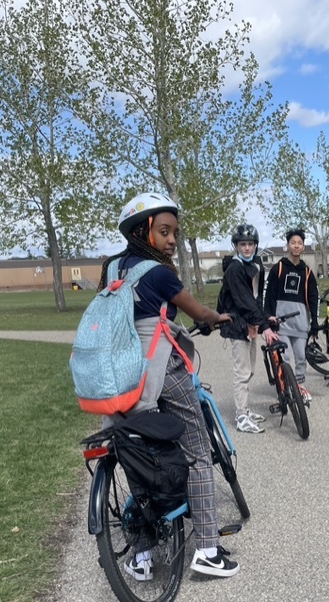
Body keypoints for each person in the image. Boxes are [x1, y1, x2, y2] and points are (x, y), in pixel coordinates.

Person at [99, 192, 239, 579]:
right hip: (161, 369)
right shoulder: (160, 273)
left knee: (136, 454)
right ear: (142, 232)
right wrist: (216, 318)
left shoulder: (111, 269)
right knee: (195, 448)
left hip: (119, 375)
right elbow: (198, 311)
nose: (172, 239)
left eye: (175, 232)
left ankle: (141, 556)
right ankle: (208, 549)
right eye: (164, 231)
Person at [217, 223, 280, 434]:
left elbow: (257, 298)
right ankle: (241, 416)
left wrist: (264, 318)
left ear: (255, 246)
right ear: (235, 246)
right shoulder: (234, 269)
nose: (247, 248)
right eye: (242, 244)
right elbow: (243, 301)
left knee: (250, 370)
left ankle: (244, 408)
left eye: (250, 244)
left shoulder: (256, 265)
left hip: (250, 322)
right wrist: (264, 327)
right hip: (237, 324)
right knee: (242, 372)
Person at [263, 228, 319, 403]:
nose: (296, 246)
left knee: (301, 358)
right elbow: (270, 295)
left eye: (300, 243)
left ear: (303, 247)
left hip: (301, 323)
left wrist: (315, 322)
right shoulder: (278, 268)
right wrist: (269, 317)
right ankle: (286, 386)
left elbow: (313, 298)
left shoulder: (307, 272)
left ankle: (299, 387)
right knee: (285, 358)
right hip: (282, 324)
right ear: (287, 246)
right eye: (293, 243)